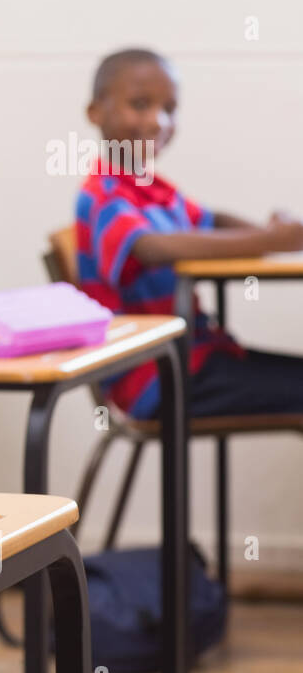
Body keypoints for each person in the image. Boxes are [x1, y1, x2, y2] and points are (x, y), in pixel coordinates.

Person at [76, 47, 303, 418]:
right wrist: (271, 241)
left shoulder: (155, 190)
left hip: (195, 356)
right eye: (139, 104)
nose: (158, 121)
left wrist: (276, 232)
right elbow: (152, 248)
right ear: (95, 112)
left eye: (169, 108)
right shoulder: (103, 193)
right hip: (153, 376)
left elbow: (210, 220)